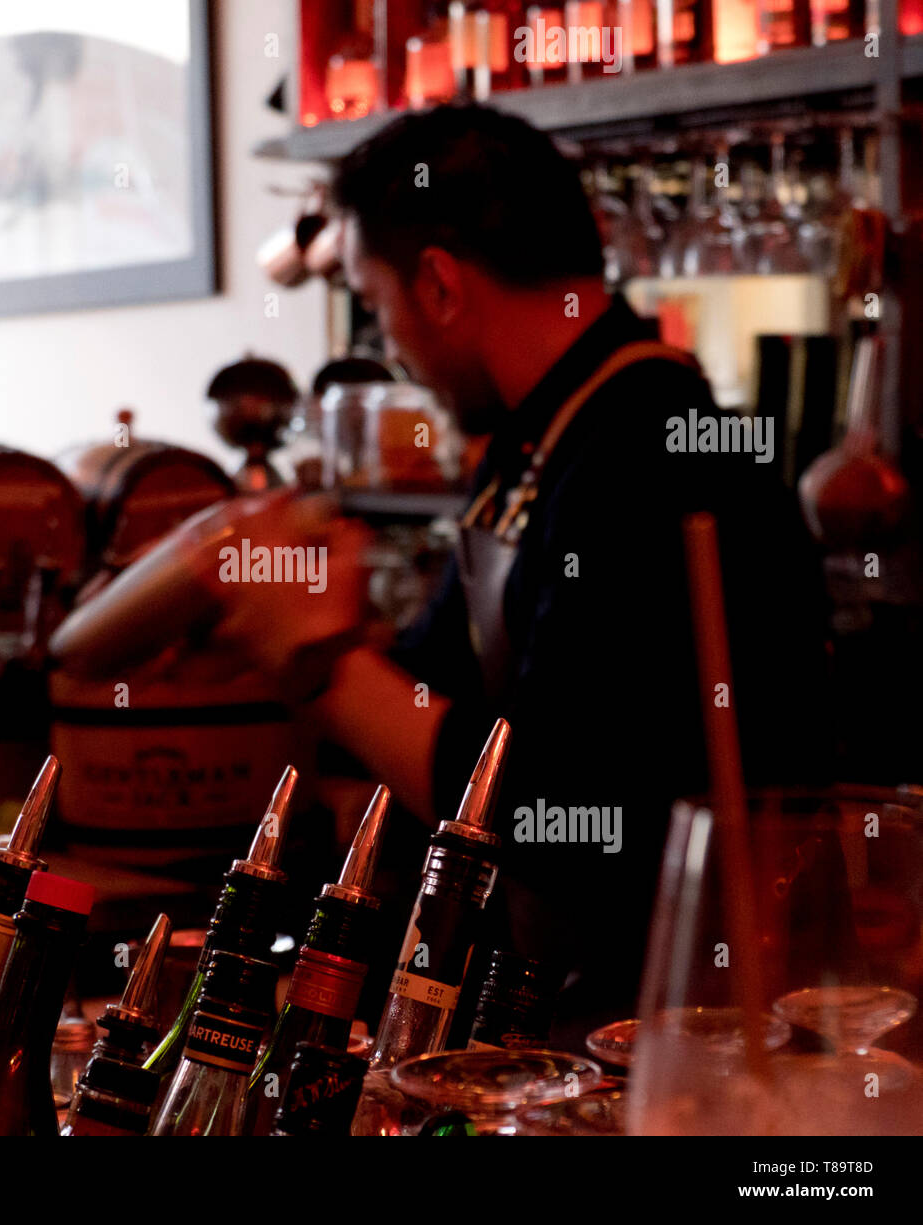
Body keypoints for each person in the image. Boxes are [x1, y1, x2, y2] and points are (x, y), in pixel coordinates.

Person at [211, 105, 832, 1037]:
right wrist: (328, 629)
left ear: (440, 286)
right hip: (575, 998)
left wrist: (325, 658)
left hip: (676, 1025)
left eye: (379, 308)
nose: (393, 346)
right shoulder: (547, 437)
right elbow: (440, 687)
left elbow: (557, 808)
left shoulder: (646, 449)